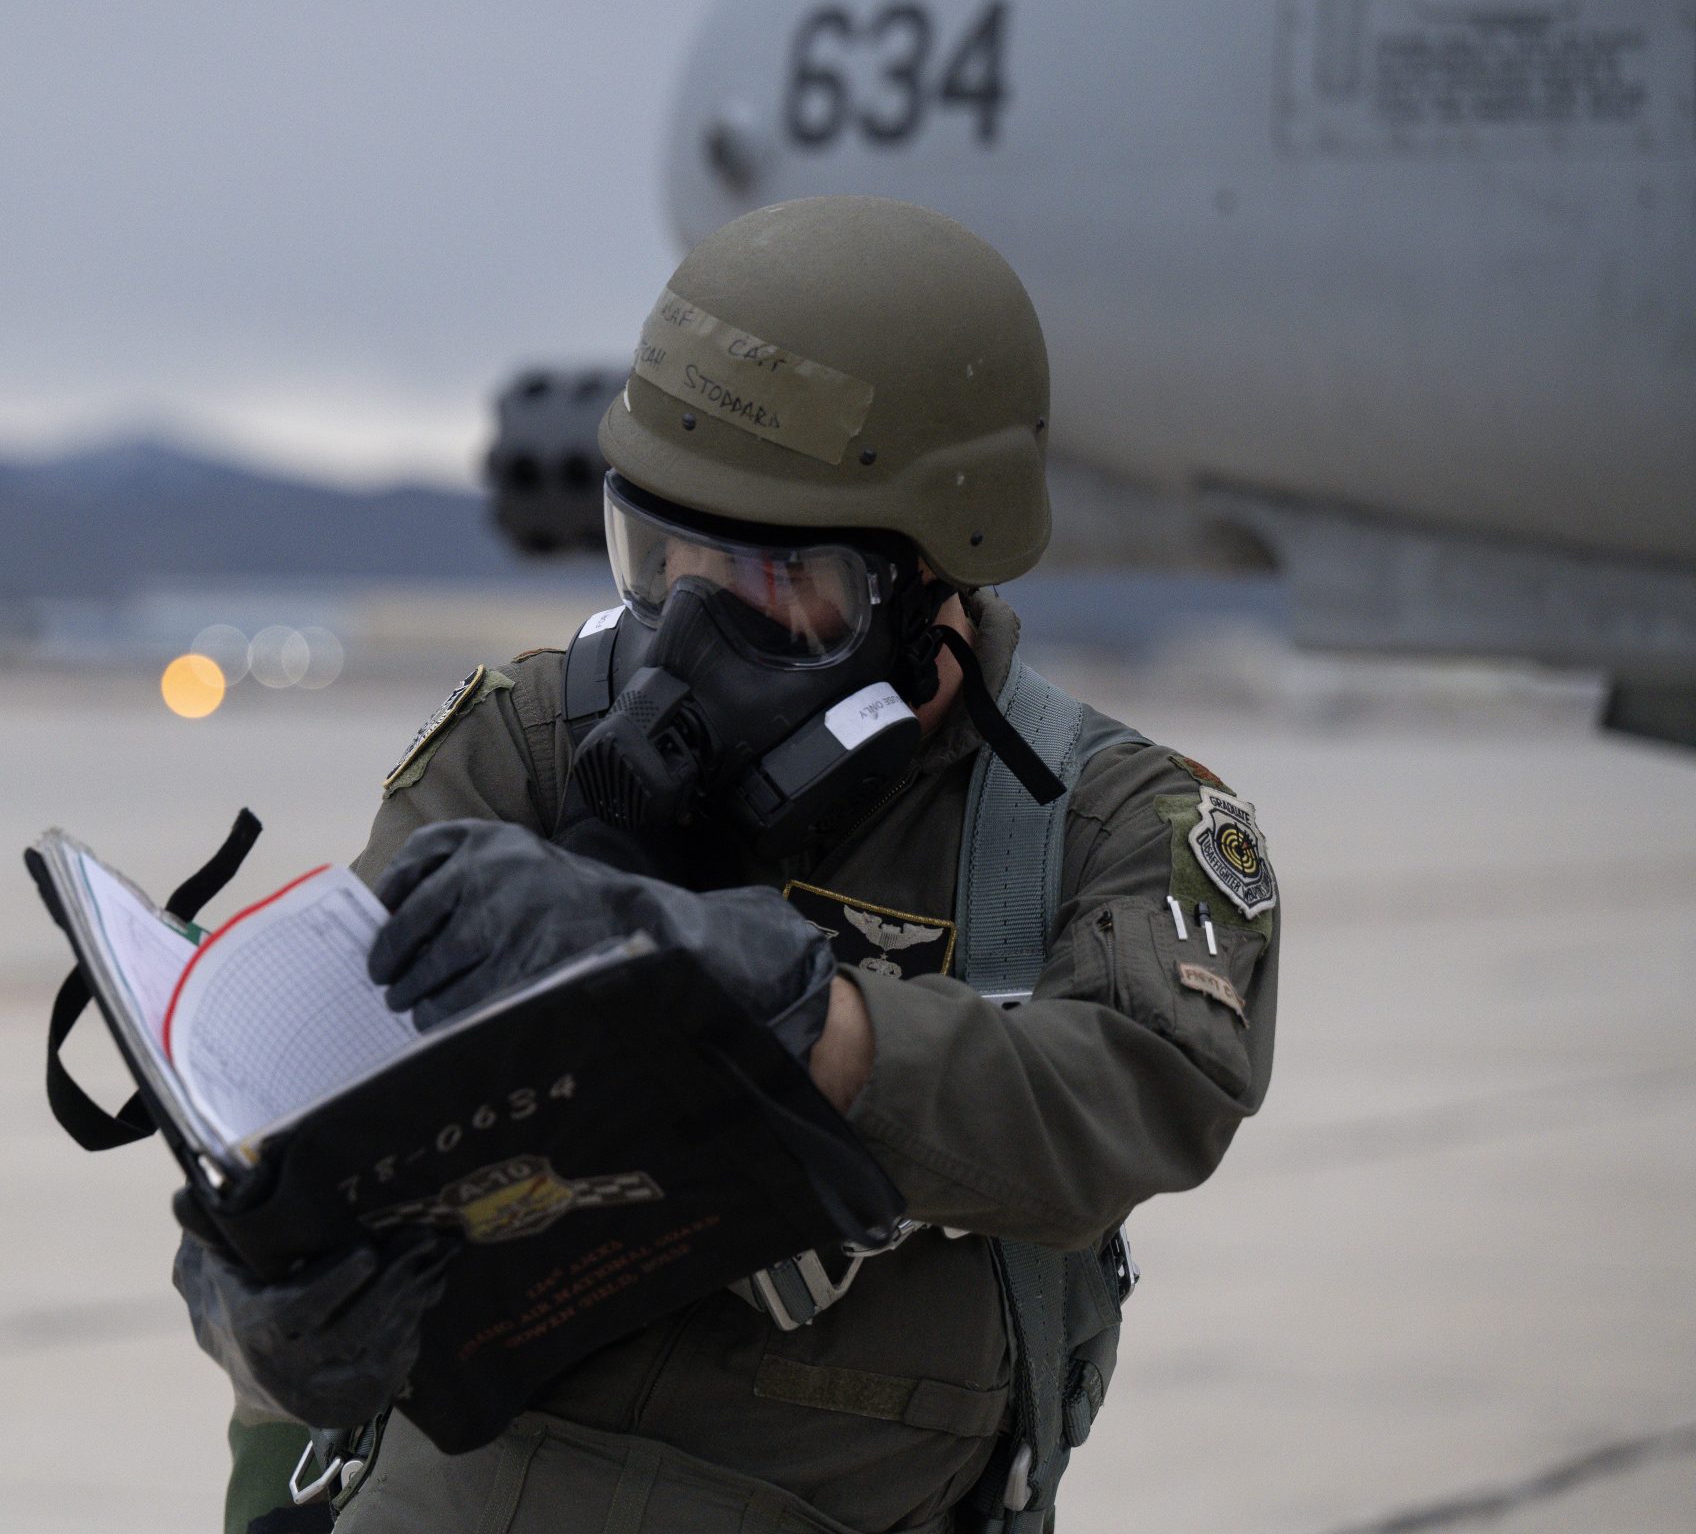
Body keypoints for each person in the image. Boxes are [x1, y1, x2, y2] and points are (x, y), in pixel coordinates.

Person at [176, 195, 1281, 1534]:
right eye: (664, 557)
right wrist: (260, 1315)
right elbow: (300, 1114)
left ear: (936, 579)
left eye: (777, 580)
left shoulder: (1106, 823)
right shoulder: (527, 748)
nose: (693, 626)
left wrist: (800, 1013)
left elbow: (1138, 1095)